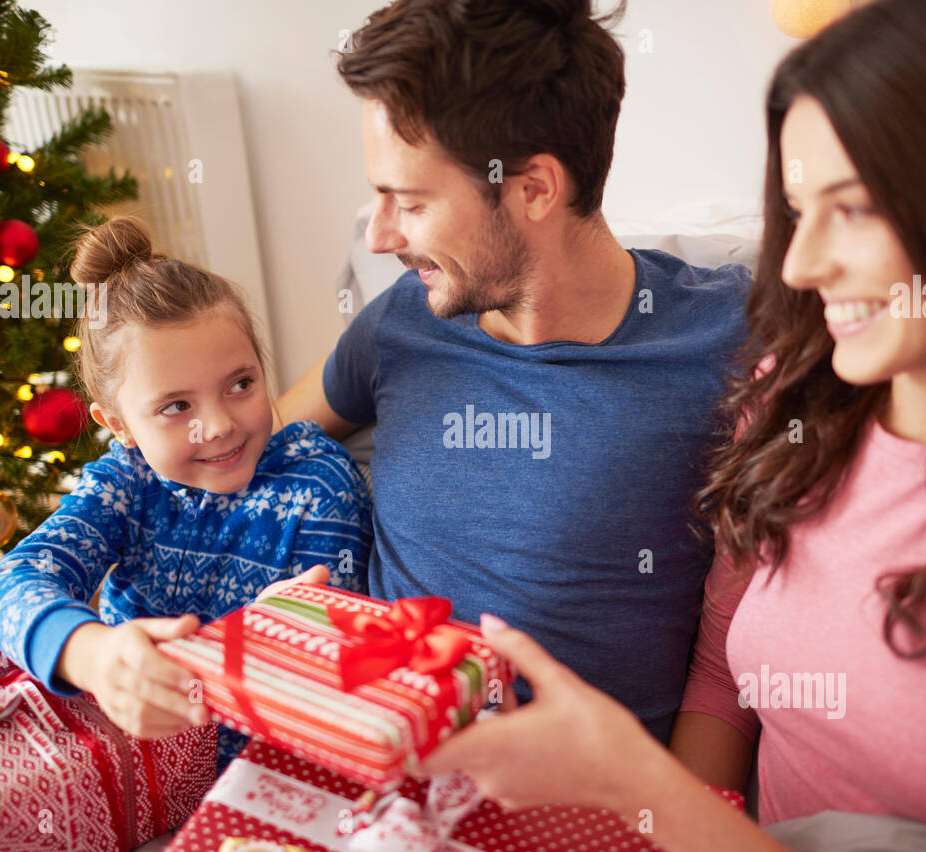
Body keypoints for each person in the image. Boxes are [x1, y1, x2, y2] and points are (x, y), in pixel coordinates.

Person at [424, 0, 926, 852]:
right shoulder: (797, 399)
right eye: (799, 212)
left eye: (859, 208)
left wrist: (638, 786)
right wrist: (664, 829)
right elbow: (724, 676)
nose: (800, 265)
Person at [273, 0, 750, 744]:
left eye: (410, 202)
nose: (379, 236)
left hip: (587, 797)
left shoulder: (730, 340)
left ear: (534, 188)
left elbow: (733, 660)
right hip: (376, 761)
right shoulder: (401, 322)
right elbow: (250, 443)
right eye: (379, 196)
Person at [0, 218, 373, 771]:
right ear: (119, 426)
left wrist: (266, 640)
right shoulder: (127, 482)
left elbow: (330, 689)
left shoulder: (319, 490)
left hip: (265, 774)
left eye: (240, 384)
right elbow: (6, 586)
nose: (218, 425)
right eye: (176, 406)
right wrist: (92, 655)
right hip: (141, 769)